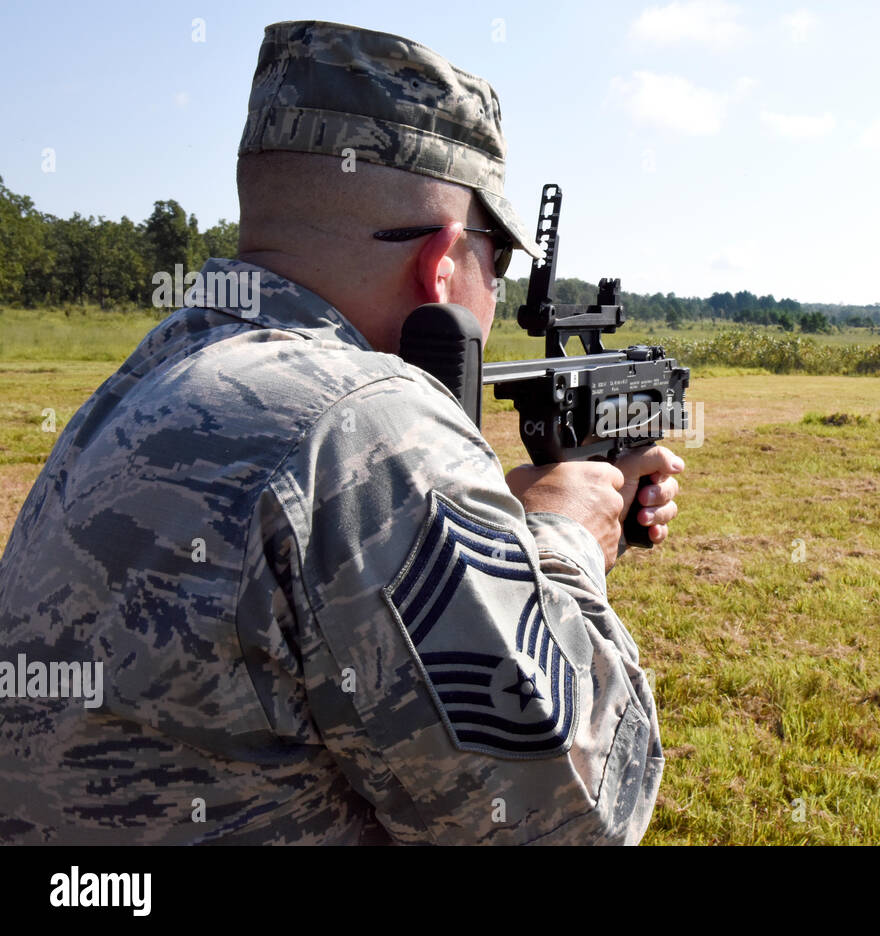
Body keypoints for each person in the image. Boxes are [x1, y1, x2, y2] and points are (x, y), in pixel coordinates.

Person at [0, 21, 682, 844]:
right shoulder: (365, 421)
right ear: (440, 262)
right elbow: (578, 815)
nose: (494, 299)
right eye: (494, 264)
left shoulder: (141, 386)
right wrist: (564, 543)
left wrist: (487, 530)